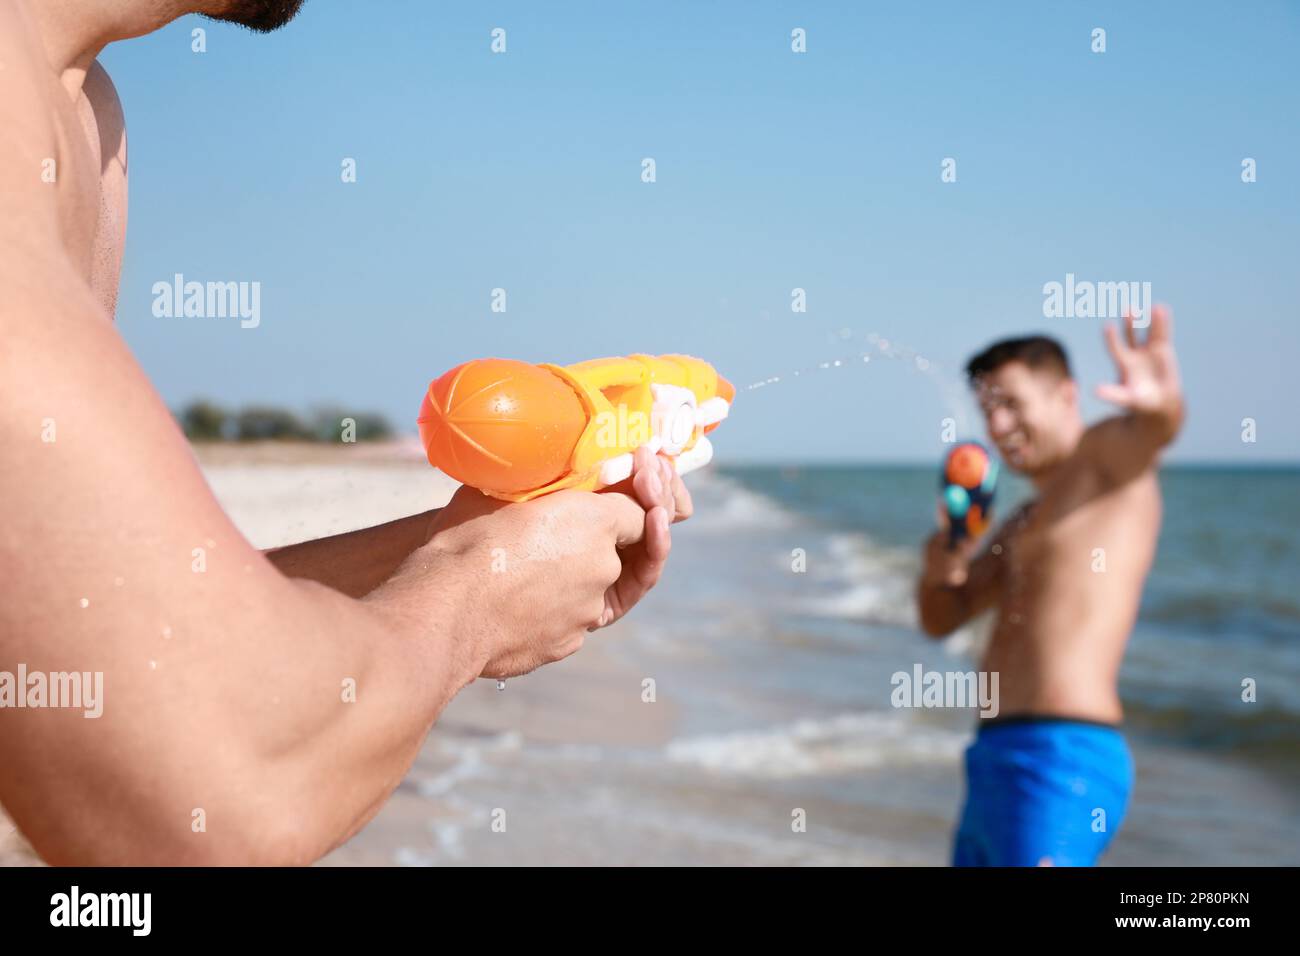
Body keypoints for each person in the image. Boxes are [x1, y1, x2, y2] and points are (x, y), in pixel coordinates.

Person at [0, 0, 690, 865]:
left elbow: (103, 651)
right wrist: (471, 601)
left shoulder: (84, 115)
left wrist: (467, 540)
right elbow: (197, 812)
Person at [917, 312, 1185, 866]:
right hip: (991, 757)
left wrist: (1159, 404)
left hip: (1066, 759)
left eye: (1012, 403)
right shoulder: (1019, 522)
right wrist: (948, 549)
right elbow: (941, 617)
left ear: (1066, 394)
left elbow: (1150, 432)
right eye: (988, 408)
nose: (997, 426)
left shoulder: (1104, 466)